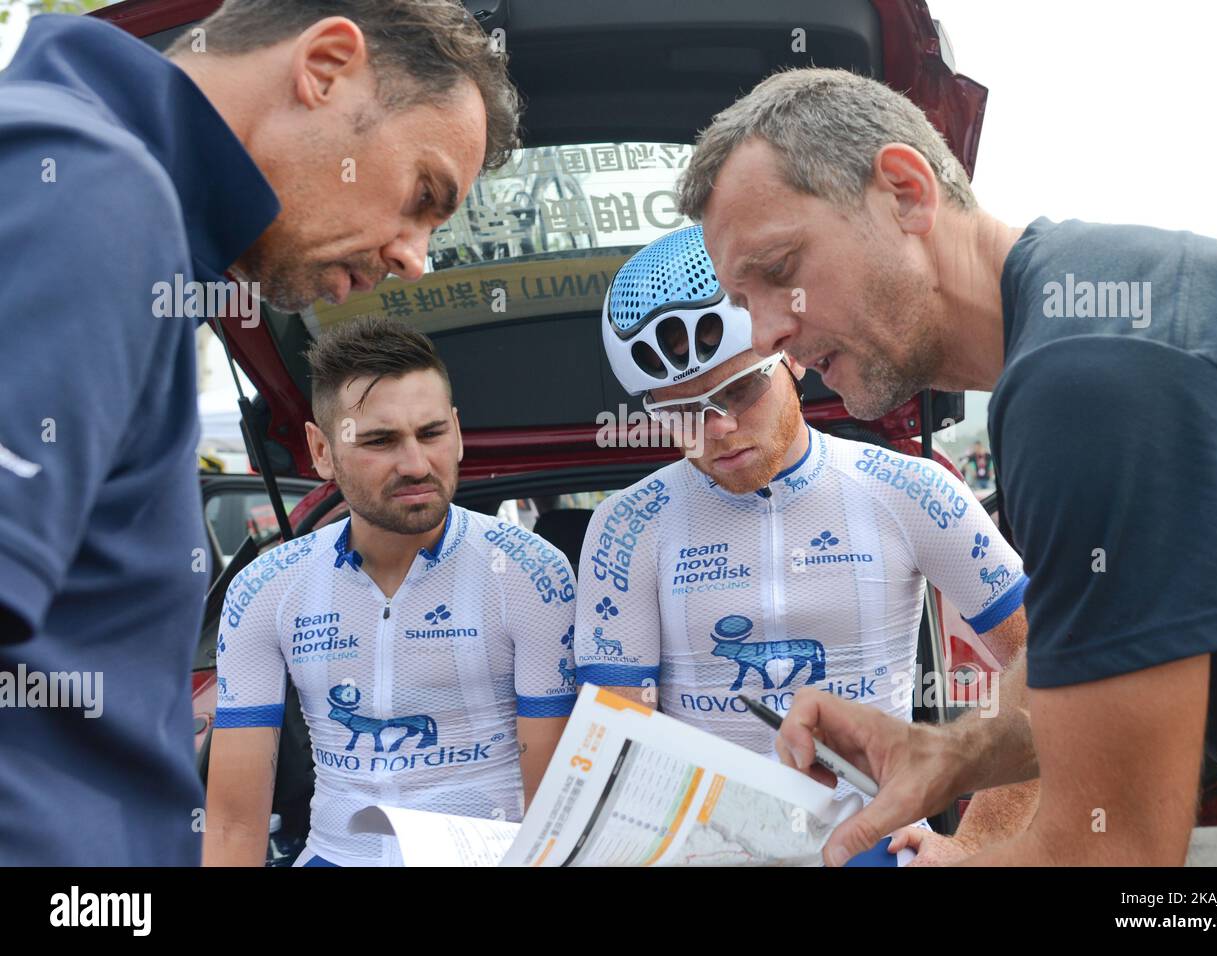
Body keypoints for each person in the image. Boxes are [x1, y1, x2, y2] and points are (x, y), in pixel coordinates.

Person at [676, 67, 1217, 864]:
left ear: (905, 192)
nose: (765, 333)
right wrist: (947, 755)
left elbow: (1120, 854)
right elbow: (1099, 649)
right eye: (744, 299)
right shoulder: (1090, 314)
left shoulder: (1087, 378)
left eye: (780, 270)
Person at [0, 0, 517, 865]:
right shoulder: (90, 191)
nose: (415, 258)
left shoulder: (104, 193)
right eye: (423, 195)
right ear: (325, 66)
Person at [574, 225, 1037, 865]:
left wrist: (976, 841)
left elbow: (1059, 661)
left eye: (740, 390)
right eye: (680, 414)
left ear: (789, 355)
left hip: (876, 849)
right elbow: (619, 741)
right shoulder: (628, 525)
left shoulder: (909, 489)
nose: (719, 429)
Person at [205, 318, 578, 867]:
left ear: (456, 429)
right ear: (321, 449)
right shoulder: (265, 587)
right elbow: (235, 824)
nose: (415, 464)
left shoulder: (528, 572)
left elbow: (555, 810)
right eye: (380, 441)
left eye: (431, 433)